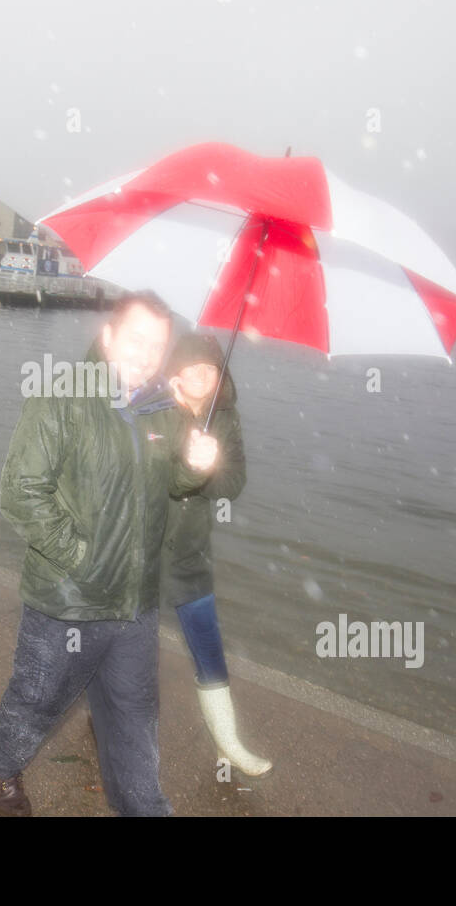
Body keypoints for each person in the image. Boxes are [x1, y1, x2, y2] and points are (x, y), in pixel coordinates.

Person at [0, 291, 218, 816]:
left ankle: (144, 807)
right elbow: (20, 492)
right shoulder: (62, 395)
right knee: (37, 700)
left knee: (135, 713)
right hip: (68, 600)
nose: (146, 354)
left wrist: (197, 464)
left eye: (158, 346)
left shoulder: (161, 408)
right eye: (135, 339)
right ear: (107, 336)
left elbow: (172, 484)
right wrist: (83, 558)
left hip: (136, 602)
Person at [162, 333, 271, 777]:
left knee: (208, 648)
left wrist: (208, 466)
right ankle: (103, 713)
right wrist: (184, 450)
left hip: (190, 549)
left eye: (209, 368)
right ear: (174, 371)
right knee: (116, 645)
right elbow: (151, 477)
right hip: (140, 545)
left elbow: (232, 484)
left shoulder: (224, 416)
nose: (201, 377)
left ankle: (230, 744)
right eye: (190, 367)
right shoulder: (149, 408)